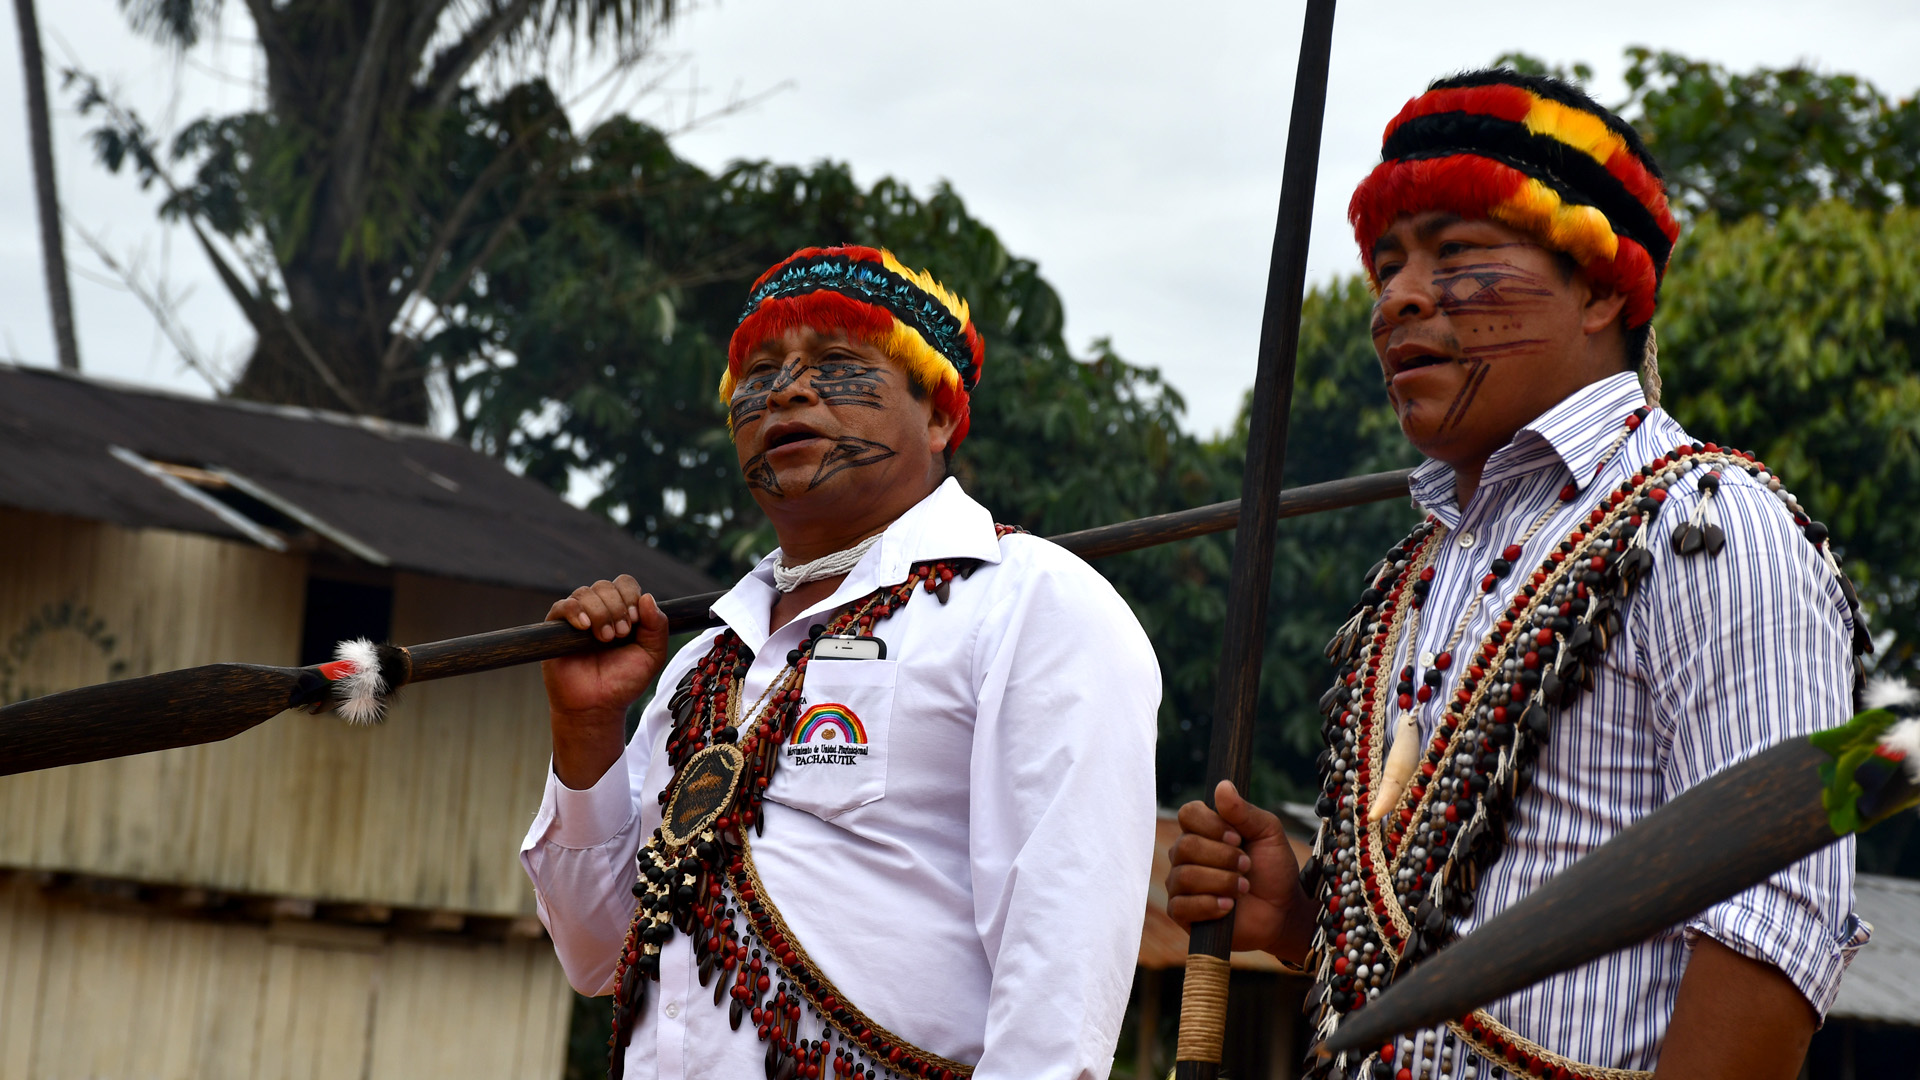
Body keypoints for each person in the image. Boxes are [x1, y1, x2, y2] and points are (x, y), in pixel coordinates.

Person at [1165, 71, 1869, 1080]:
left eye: (1456, 255)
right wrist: (1299, 920)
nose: (1397, 299)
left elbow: (1769, 937)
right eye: (1388, 265)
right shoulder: (1416, 576)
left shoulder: (1712, 530)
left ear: (1601, 285)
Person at [519, 245, 1160, 1080]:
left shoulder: (1031, 605)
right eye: (760, 372)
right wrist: (587, 728)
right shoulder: (702, 665)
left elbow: (1060, 980)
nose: (786, 389)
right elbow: (597, 952)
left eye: (836, 364)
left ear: (937, 416)